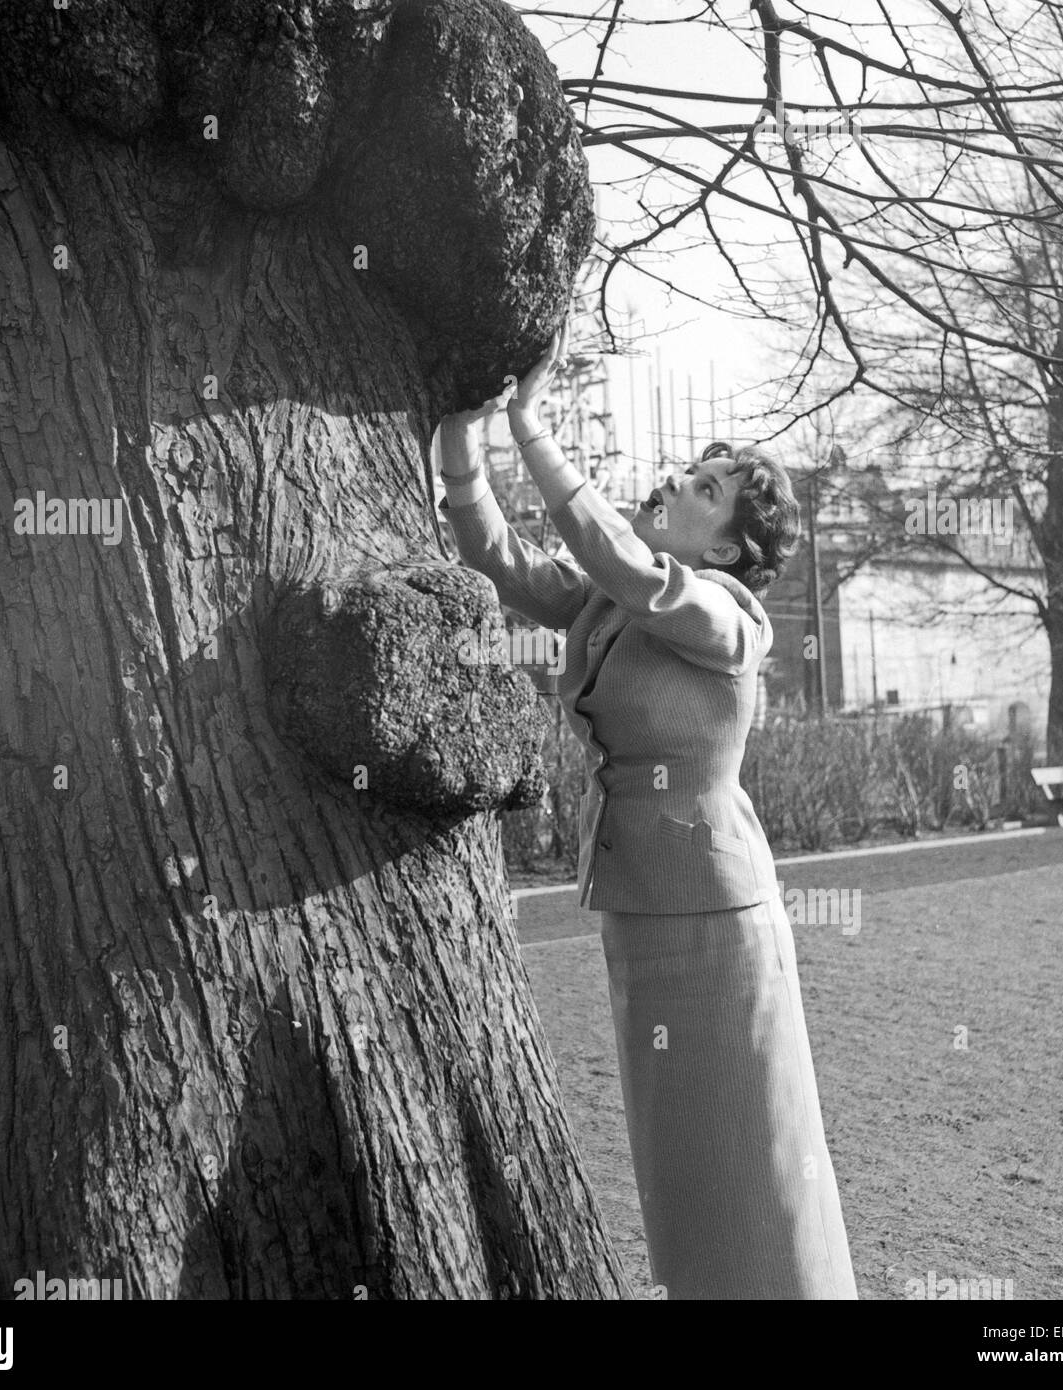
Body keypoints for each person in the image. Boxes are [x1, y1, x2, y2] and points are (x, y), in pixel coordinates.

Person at [435, 327, 858, 1300]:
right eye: (690, 471)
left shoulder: (728, 619)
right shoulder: (613, 599)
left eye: (704, 488)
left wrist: (531, 428)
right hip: (637, 902)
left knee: (751, 1149)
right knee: (680, 1158)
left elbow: (632, 569)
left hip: (714, 921)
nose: (675, 480)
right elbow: (501, 562)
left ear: (728, 548)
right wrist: (462, 439)